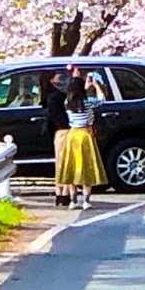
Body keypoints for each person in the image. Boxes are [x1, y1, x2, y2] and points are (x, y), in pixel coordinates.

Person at [57, 74, 107, 209]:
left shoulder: (67, 103)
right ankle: (86, 200)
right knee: (86, 168)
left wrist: (82, 87)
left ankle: (73, 200)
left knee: (72, 167)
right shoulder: (88, 102)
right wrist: (95, 86)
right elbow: (102, 99)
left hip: (72, 135)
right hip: (85, 135)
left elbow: (76, 94)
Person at [43, 69, 73, 207]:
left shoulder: (46, 96)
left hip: (56, 132)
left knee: (59, 163)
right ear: (51, 79)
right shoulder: (58, 96)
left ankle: (58, 192)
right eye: (56, 75)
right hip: (64, 130)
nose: (59, 77)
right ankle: (65, 193)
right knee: (66, 163)